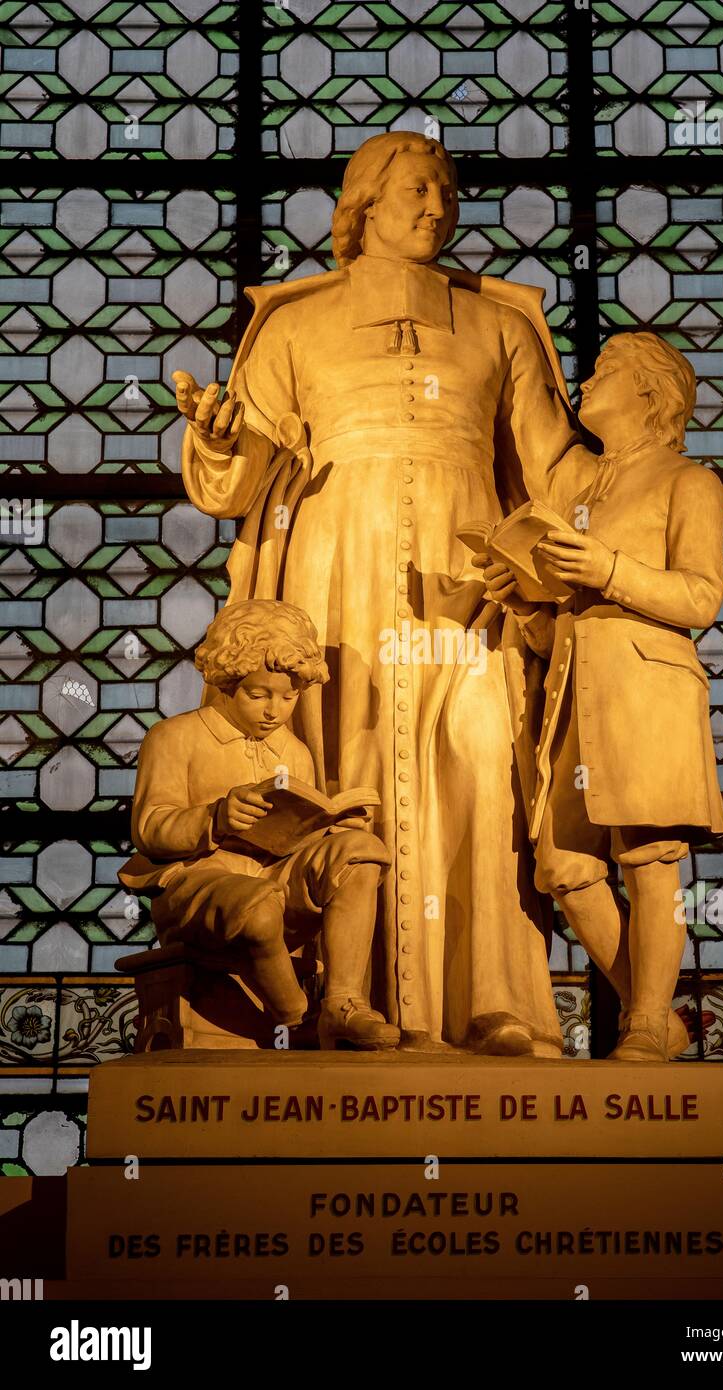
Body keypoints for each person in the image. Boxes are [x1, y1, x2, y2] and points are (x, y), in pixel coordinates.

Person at [170, 130, 595, 1056]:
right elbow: (241, 482)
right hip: (335, 565)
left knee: (485, 755)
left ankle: (497, 1003)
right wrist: (216, 437)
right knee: (344, 762)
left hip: (469, 575)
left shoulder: (502, 326)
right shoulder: (293, 322)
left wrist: (639, 480)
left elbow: (556, 472)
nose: (436, 207)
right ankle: (346, 1007)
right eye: (415, 190)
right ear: (362, 204)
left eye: (445, 191)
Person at [479, 333, 723, 1062]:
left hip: (646, 690)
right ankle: (653, 1010)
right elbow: (556, 614)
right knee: (563, 866)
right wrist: (524, 599)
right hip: (569, 694)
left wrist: (608, 567)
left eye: (605, 372)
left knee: (649, 853)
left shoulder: (690, 481)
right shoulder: (582, 489)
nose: (586, 382)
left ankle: (646, 1023)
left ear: (650, 395)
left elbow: (701, 596)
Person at [119, 600, 398, 1051]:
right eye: (259, 694)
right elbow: (151, 828)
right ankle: (293, 1015)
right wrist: (215, 817)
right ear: (228, 682)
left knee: (360, 850)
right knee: (258, 905)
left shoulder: (294, 751)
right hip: (194, 886)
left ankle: (342, 1003)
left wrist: (328, 828)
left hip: (272, 877)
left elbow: (294, 841)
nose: (275, 710)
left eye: (289, 697)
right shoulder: (175, 737)